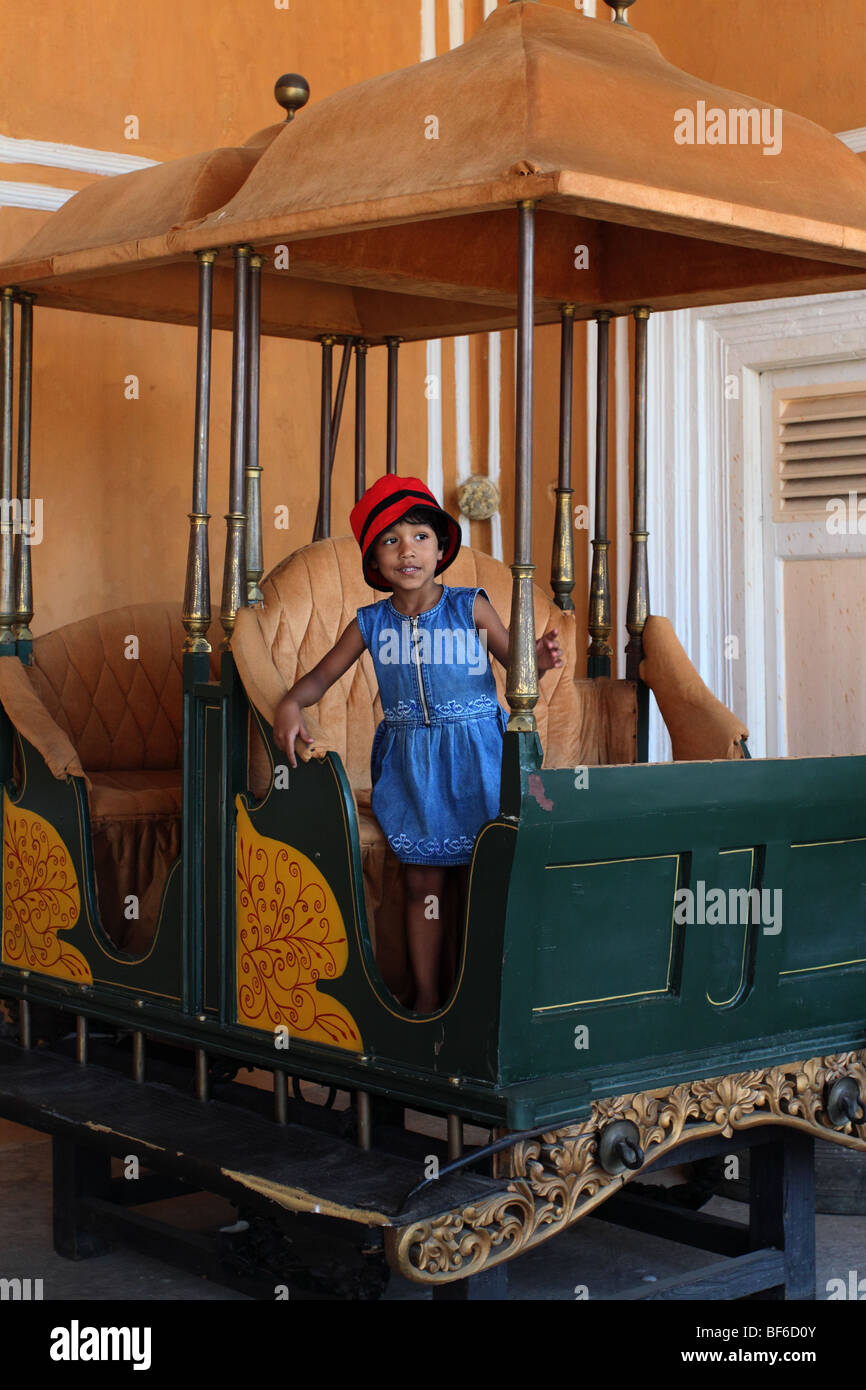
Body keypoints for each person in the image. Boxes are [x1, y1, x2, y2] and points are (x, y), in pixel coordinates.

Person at [272, 475, 562, 1014]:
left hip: (480, 759)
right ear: (374, 561)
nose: (408, 549)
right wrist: (290, 704)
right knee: (422, 880)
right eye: (391, 540)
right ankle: (425, 995)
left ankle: (486, 997)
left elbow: (519, 671)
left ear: (440, 547)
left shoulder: (469, 606)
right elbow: (315, 681)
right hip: (413, 766)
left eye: (420, 536)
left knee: (486, 871)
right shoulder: (369, 623)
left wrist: (539, 660)